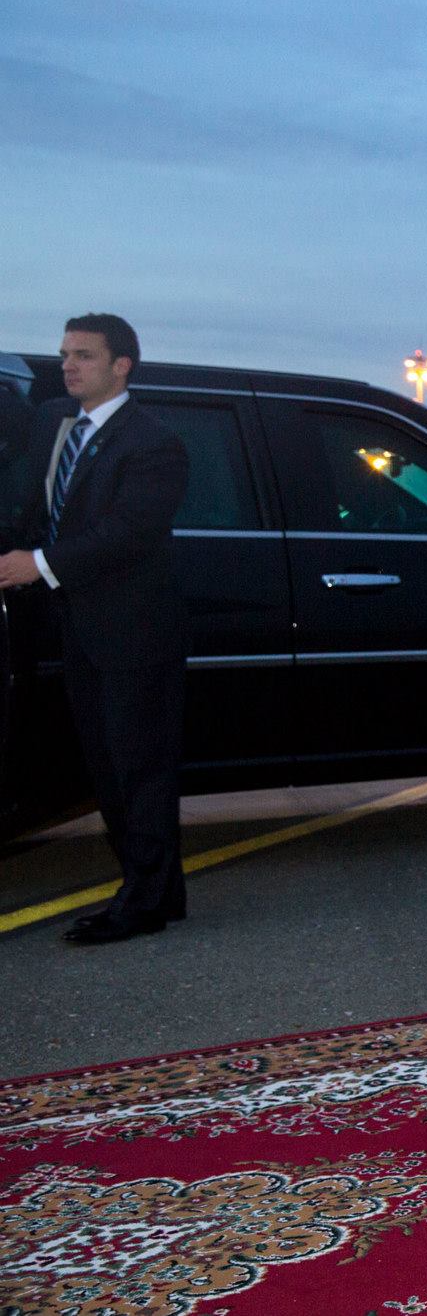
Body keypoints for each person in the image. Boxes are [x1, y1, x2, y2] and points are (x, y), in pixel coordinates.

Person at [0, 315, 190, 946]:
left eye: (83, 355)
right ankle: (157, 895)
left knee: (140, 769)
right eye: (64, 355)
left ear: (122, 365)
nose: (68, 365)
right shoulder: (58, 422)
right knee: (107, 768)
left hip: (134, 631)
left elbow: (130, 532)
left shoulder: (153, 441)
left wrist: (39, 565)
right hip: (77, 627)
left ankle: (140, 902)